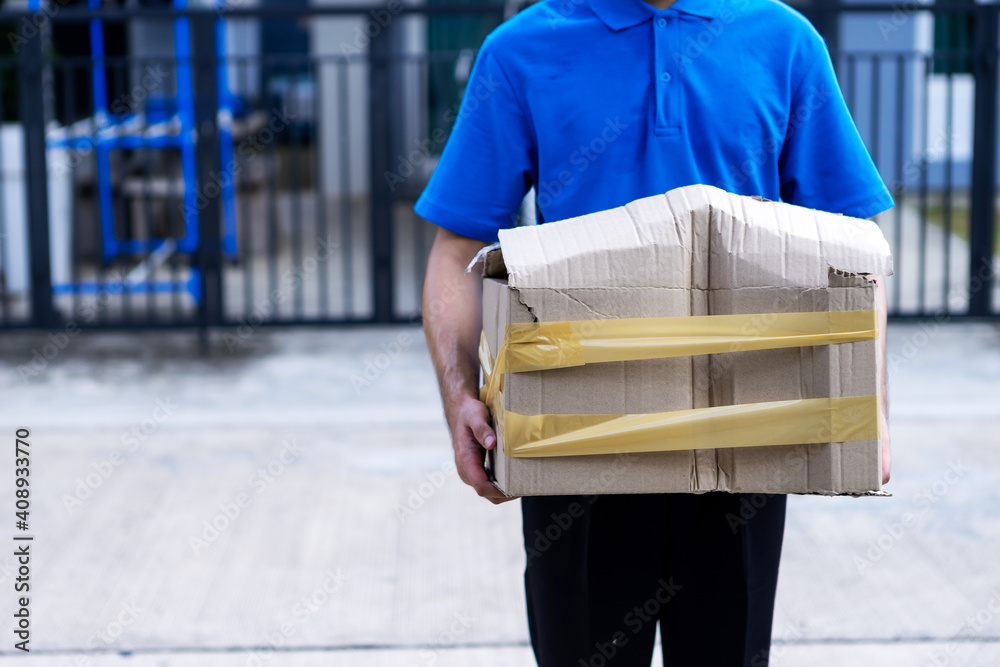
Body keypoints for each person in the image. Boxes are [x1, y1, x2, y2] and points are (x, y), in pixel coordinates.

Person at [416, 0, 893, 664]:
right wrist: (458, 398)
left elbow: (855, 245)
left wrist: (868, 408)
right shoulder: (521, 50)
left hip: (744, 432)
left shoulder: (783, 41)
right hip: (573, 438)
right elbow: (457, 247)